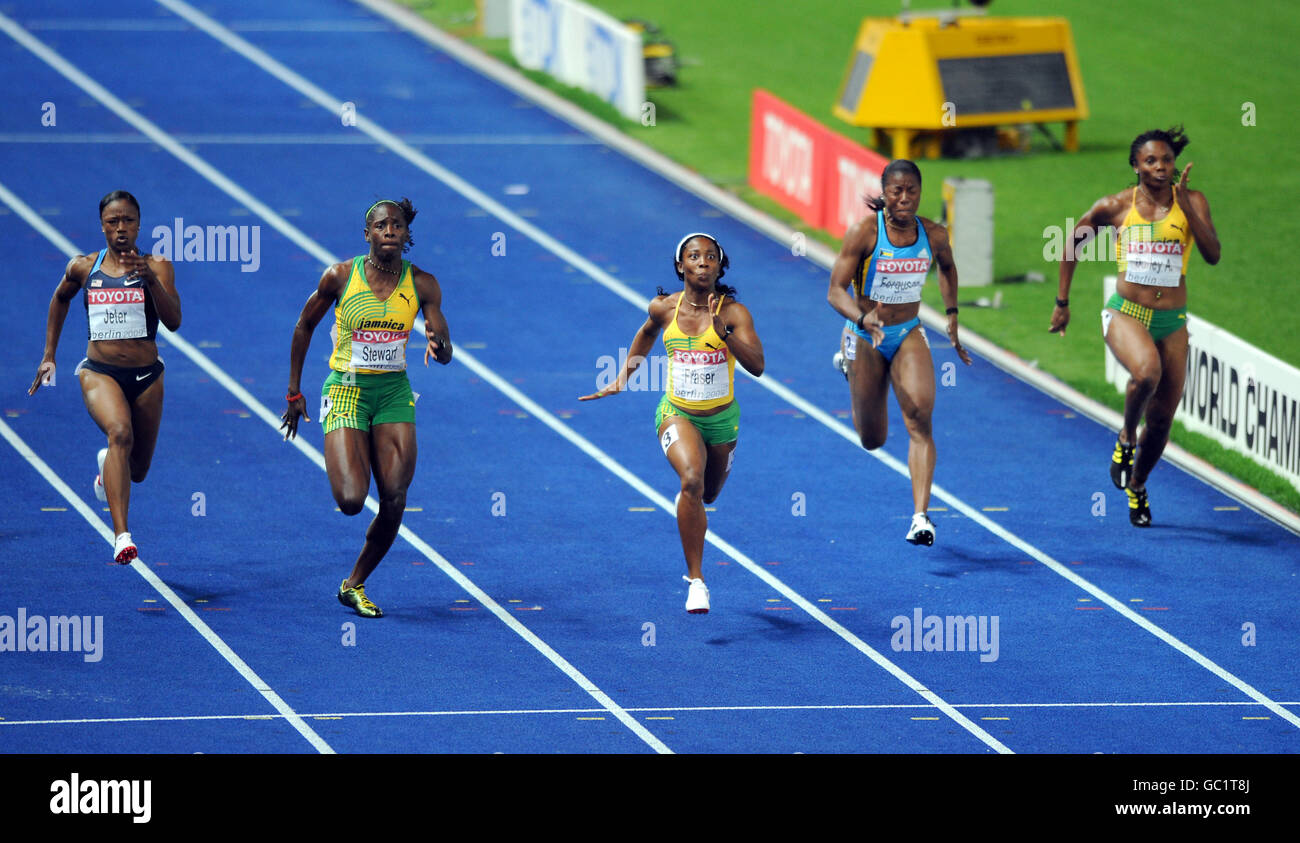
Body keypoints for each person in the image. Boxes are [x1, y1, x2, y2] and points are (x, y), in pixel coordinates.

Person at [280, 198, 452, 617]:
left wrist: (439, 344)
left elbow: (445, 351)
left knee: (394, 498)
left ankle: (354, 583)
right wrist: (294, 391)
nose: (390, 230)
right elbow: (304, 325)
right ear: (368, 235)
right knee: (353, 500)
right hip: (347, 391)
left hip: (393, 393)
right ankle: (353, 560)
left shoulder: (423, 284)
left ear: (407, 234)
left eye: (397, 225)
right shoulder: (340, 276)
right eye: (381, 225)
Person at [580, 234, 764, 613]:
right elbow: (646, 333)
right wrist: (622, 377)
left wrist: (724, 332)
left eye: (710, 257)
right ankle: (697, 581)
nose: (703, 262)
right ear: (681, 265)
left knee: (708, 494)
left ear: (719, 266)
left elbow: (758, 366)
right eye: (694, 256)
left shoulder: (734, 313)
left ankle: (690, 501)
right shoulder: (664, 308)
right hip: (676, 414)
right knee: (692, 481)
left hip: (722, 420)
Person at [1050, 126, 1220, 526]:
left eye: (1166, 160)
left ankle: (1138, 486)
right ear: (1136, 166)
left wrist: (1189, 208)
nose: (1161, 167)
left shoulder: (1193, 201)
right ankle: (1126, 437)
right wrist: (1062, 302)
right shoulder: (1115, 206)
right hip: (1126, 313)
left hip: (1172, 321)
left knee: (1161, 422)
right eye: (1151, 161)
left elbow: (1212, 254)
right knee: (1146, 373)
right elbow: (1072, 243)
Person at [29, 190, 181, 565]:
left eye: (128, 220)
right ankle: (121, 535)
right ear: (102, 227)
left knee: (139, 470)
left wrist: (150, 282)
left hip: (147, 376)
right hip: (100, 373)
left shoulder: (157, 266)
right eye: (113, 222)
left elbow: (174, 322)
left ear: (139, 224)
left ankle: (106, 474)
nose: (121, 228)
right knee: (119, 433)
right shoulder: (84, 267)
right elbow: (60, 298)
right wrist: (50, 355)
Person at [827, 159, 971, 546]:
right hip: (865, 333)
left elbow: (948, 267)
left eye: (912, 191)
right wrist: (862, 318)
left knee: (921, 417)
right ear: (884, 193)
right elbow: (835, 290)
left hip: (907, 330)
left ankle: (921, 517)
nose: (904, 198)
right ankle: (849, 365)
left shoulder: (934, 234)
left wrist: (953, 314)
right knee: (873, 438)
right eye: (896, 191)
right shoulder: (864, 234)